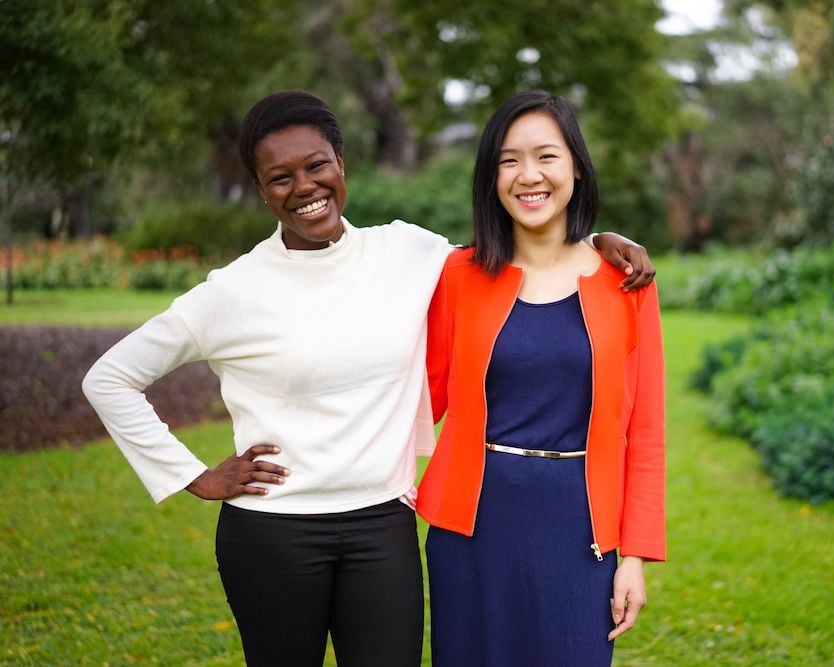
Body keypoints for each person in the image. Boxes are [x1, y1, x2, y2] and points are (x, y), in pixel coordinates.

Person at [81, 90, 656, 666]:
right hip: (280, 531)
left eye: (316, 166)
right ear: (260, 189)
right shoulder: (234, 289)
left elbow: (530, 251)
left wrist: (600, 242)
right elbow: (111, 378)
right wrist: (192, 476)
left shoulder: (405, 252)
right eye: (279, 177)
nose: (304, 187)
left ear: (340, 165)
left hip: (385, 527)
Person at [416, 90, 666, 666]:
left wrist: (634, 557)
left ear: (575, 166)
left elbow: (646, 429)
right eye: (508, 160)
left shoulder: (626, 280)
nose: (528, 175)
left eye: (546, 156)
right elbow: (417, 400)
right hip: (472, 531)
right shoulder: (456, 274)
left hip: (581, 533)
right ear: (490, 176)